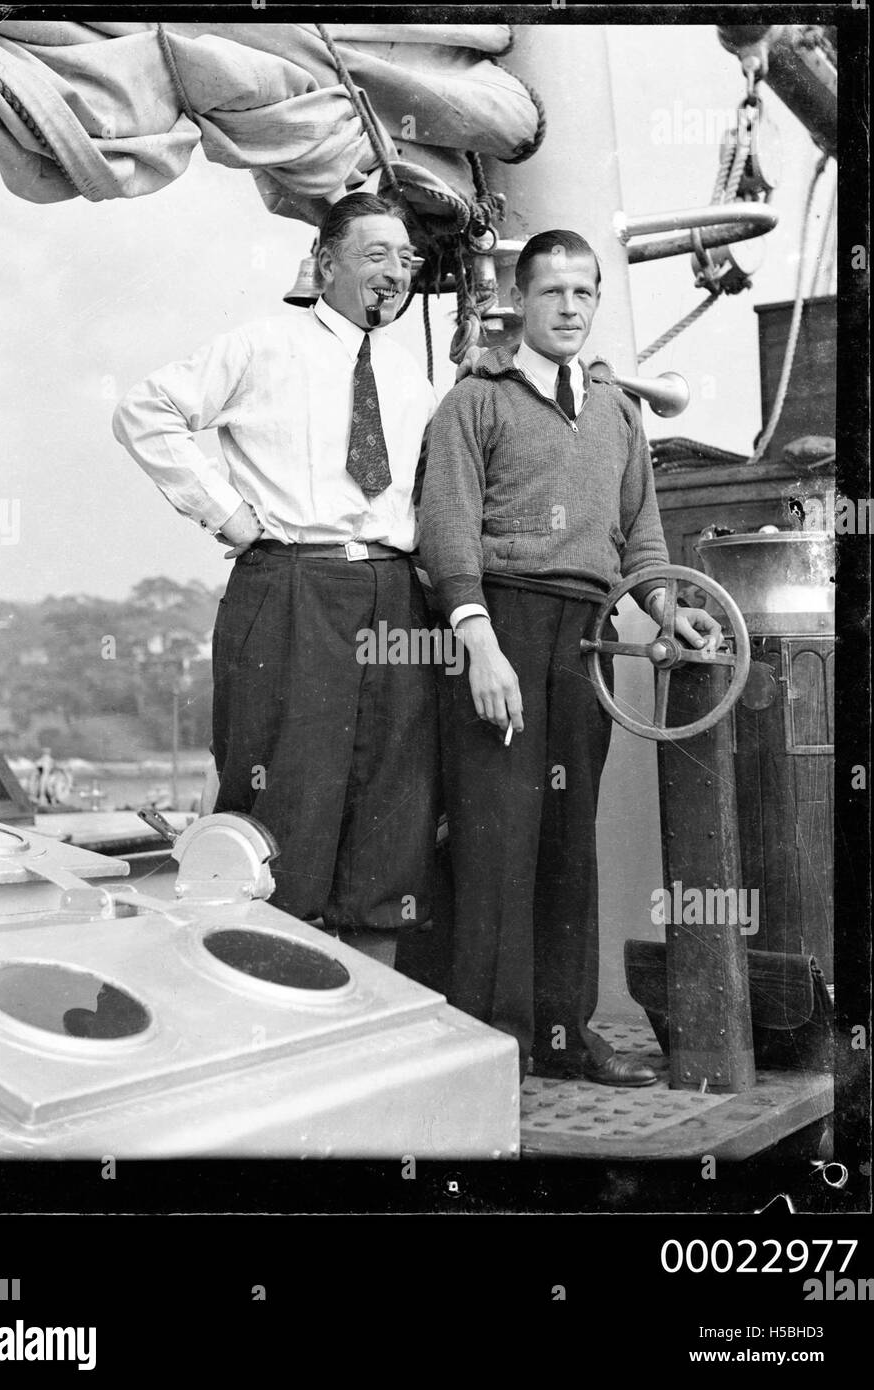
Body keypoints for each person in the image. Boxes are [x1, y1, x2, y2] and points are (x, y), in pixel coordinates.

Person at [419, 229, 723, 1086]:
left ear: (595, 302)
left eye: (582, 294)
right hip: (499, 630)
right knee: (493, 839)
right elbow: (446, 526)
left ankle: (561, 1035)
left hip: (588, 636)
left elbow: (640, 533)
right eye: (550, 292)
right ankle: (493, 1050)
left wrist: (667, 609)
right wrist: (478, 642)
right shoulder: (472, 402)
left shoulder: (618, 412)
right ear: (518, 300)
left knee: (566, 840)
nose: (567, 308)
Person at [112, 193, 439, 933]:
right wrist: (224, 513)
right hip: (291, 582)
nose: (394, 273)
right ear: (324, 263)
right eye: (375, 255)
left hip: (391, 591)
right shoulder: (261, 344)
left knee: (389, 795)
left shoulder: (413, 380)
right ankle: (270, 989)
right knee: (284, 792)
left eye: (406, 259)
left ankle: (367, 1005)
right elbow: (143, 412)